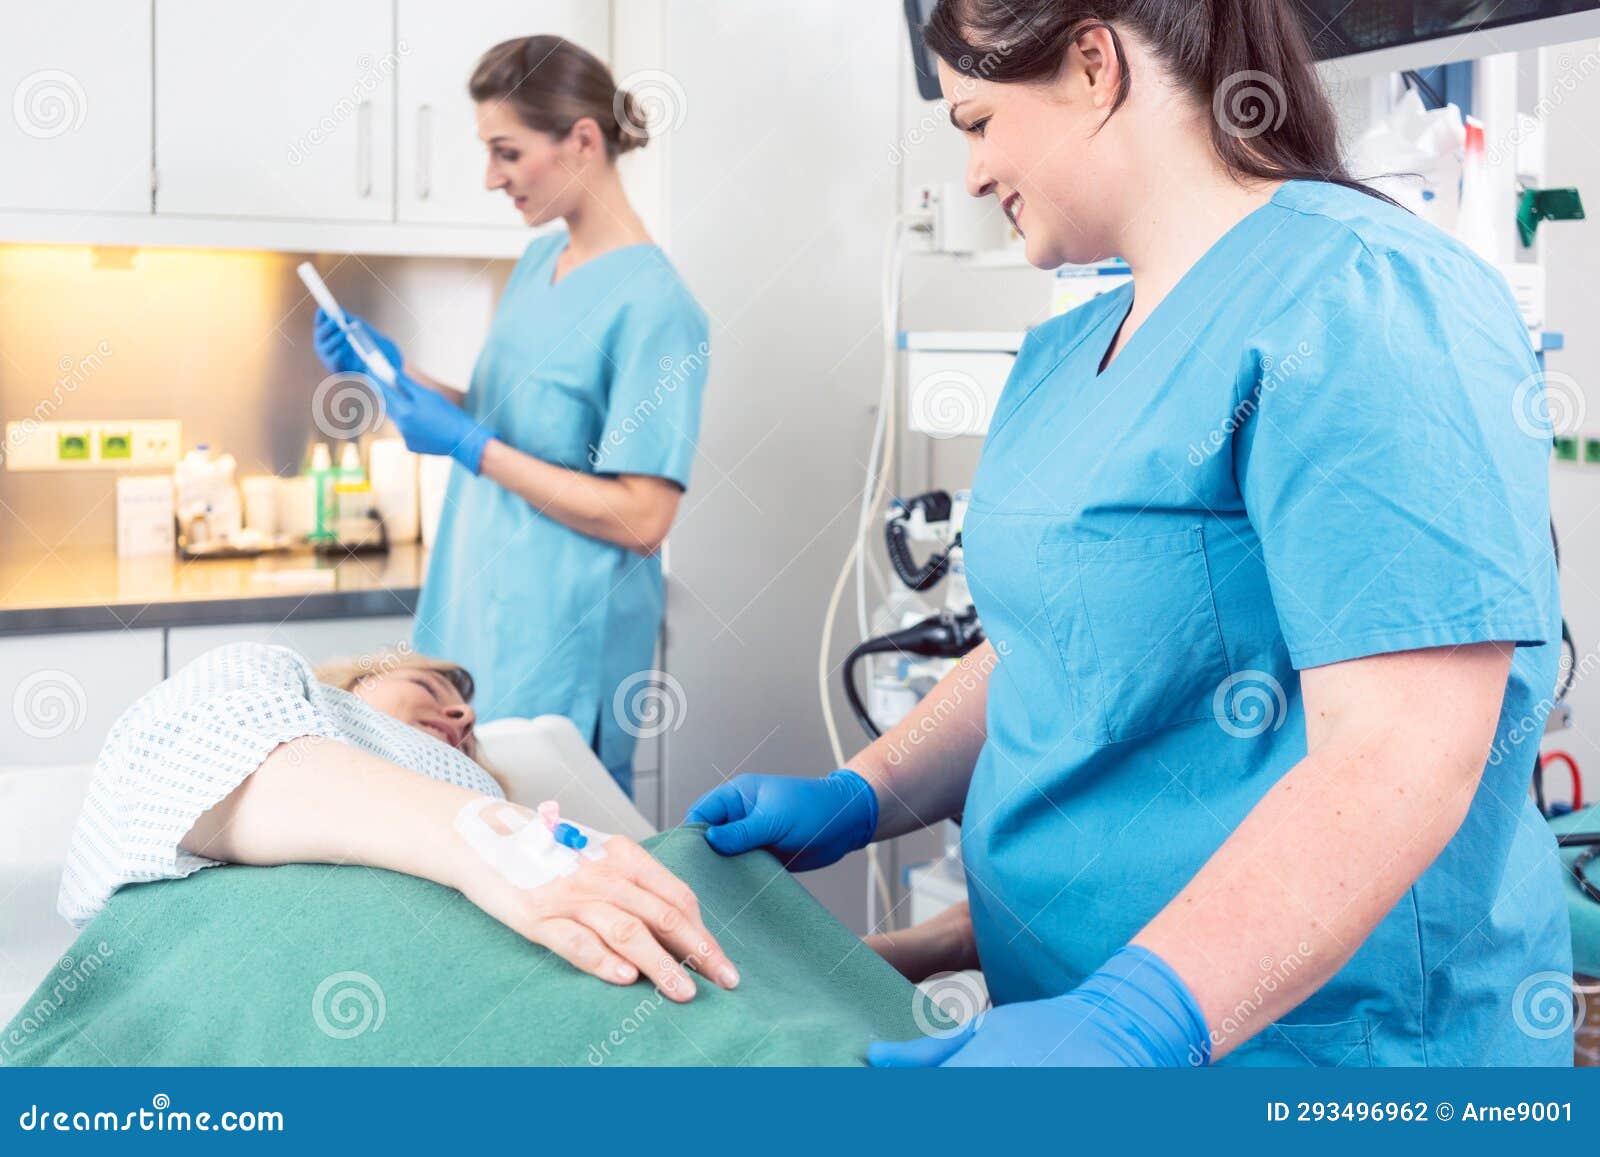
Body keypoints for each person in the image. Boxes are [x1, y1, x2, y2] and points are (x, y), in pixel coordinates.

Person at [690, 0, 1569, 1067]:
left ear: (1093, 64)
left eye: (977, 122)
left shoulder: (1362, 297)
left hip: (1323, 1058)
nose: (973, 173)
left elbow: (1402, 752)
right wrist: (863, 792)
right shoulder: (1069, 350)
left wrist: (1141, 1015)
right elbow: (1045, 648)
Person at [313, 35, 709, 795]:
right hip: (470, 608)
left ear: (583, 141)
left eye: (507, 152)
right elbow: (508, 419)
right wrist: (388, 372)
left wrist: (469, 443)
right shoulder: (537, 265)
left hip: (560, 641)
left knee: (547, 845)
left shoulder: (657, 307)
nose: (491, 177)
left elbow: (643, 516)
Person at [58, 642, 738, 1001]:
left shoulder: (512, 831)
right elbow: (192, 764)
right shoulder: (267, 677)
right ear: (355, 683)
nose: (464, 717)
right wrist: (487, 839)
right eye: (429, 689)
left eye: (471, 739)